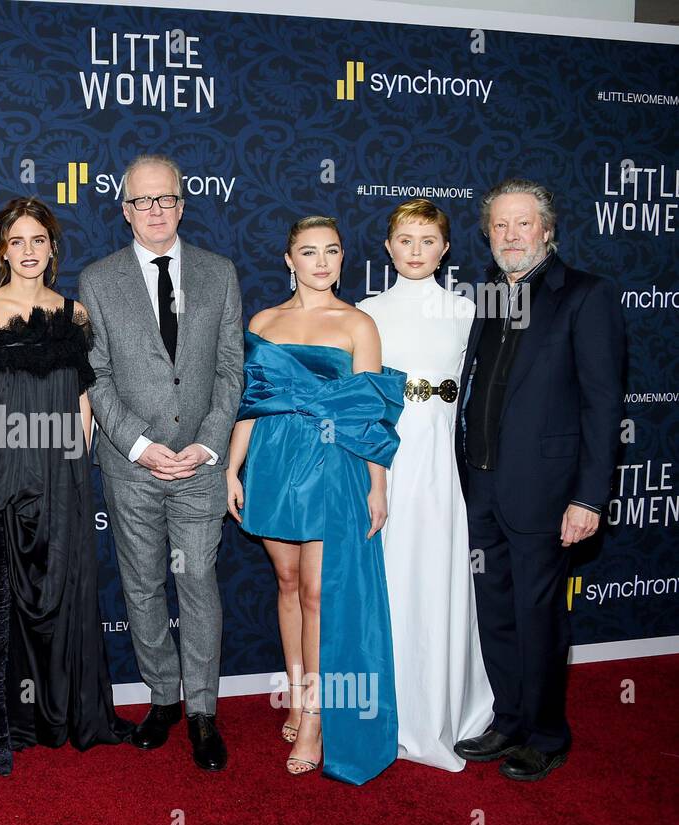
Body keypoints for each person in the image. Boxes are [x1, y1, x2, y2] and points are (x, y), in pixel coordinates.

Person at [0, 197, 129, 776]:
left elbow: (82, 401)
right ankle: (3, 722)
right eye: (17, 241)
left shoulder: (73, 314)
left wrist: (77, 468)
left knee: (62, 593)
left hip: (61, 474)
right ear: (2, 249)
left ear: (53, 248)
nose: (29, 251)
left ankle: (65, 714)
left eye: (39, 241)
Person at [453, 178, 624, 781]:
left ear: (547, 229)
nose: (509, 235)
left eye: (522, 223)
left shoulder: (585, 295)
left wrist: (588, 495)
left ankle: (548, 731)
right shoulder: (492, 296)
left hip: (548, 492)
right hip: (482, 483)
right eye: (499, 225)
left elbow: (603, 406)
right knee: (494, 606)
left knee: (539, 612)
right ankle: (509, 717)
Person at [78, 154, 243, 772]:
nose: (155, 210)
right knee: (143, 586)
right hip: (132, 467)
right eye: (143, 201)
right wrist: (141, 447)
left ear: (182, 202)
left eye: (166, 199)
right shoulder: (97, 280)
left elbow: (230, 369)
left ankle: (203, 711)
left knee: (197, 583)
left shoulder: (219, 273)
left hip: (201, 465)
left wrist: (205, 444)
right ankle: (164, 697)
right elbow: (94, 375)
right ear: (125, 209)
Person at [227, 216, 404, 784]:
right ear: (289, 259)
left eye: (331, 251)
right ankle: (300, 695)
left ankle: (316, 717)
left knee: (316, 592)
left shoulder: (358, 323)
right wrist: (232, 468)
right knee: (285, 583)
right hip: (274, 462)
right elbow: (251, 403)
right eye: (309, 251)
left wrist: (378, 483)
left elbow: (370, 410)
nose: (322, 262)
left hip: (332, 465)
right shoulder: (264, 320)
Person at [356, 200, 494, 772]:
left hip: (440, 468)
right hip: (384, 465)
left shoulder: (467, 313)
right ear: (388, 248)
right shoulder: (365, 313)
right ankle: (391, 711)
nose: (416, 251)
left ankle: (444, 707)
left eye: (428, 240)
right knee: (388, 581)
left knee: (436, 578)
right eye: (405, 240)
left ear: (445, 248)